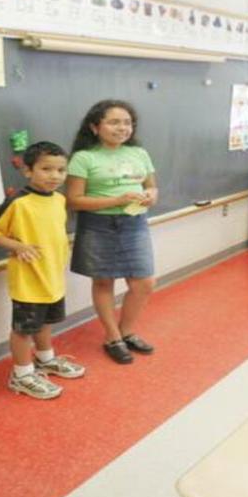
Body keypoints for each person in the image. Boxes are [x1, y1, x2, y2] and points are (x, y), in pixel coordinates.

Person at [0, 141, 85, 400]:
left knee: (45, 322)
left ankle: (45, 359)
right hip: (29, 279)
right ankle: (22, 374)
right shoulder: (18, 202)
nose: (54, 176)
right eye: (46, 169)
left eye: (60, 170)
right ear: (28, 171)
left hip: (52, 276)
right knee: (24, 330)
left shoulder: (60, 199)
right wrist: (17, 245)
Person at [65, 99, 158, 364]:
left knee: (144, 282)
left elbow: (152, 187)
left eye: (127, 122)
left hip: (134, 223)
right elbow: (74, 200)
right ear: (95, 127)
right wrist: (115, 201)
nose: (122, 128)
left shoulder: (139, 153)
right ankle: (112, 336)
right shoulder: (84, 158)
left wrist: (150, 196)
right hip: (98, 225)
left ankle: (127, 331)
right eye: (114, 122)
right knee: (104, 281)